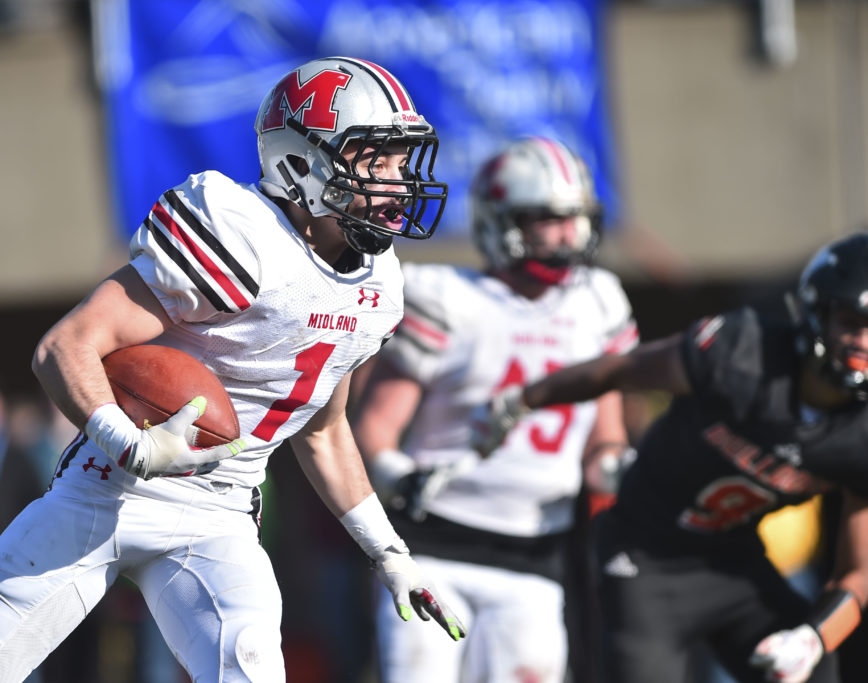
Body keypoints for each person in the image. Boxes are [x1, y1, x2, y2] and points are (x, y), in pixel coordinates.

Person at [0, 55, 466, 683]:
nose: (396, 182)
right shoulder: (241, 231)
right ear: (301, 162)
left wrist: (389, 553)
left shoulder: (379, 285)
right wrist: (128, 443)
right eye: (374, 161)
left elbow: (324, 429)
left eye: (400, 162)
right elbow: (65, 345)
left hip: (221, 514)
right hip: (109, 488)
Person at [474, 229, 868, 683]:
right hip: (645, 558)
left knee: (817, 673)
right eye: (850, 321)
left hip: (733, 564)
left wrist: (815, 638)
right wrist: (525, 398)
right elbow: (620, 370)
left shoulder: (859, 437)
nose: (861, 341)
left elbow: (855, 576)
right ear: (817, 313)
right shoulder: (744, 354)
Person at [351, 136, 639, 682]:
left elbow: (605, 438)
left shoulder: (599, 302)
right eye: (546, 219)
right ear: (501, 221)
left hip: (536, 553)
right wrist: (400, 477)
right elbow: (373, 429)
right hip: (434, 543)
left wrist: (620, 469)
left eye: (574, 218)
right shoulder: (447, 299)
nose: (566, 234)